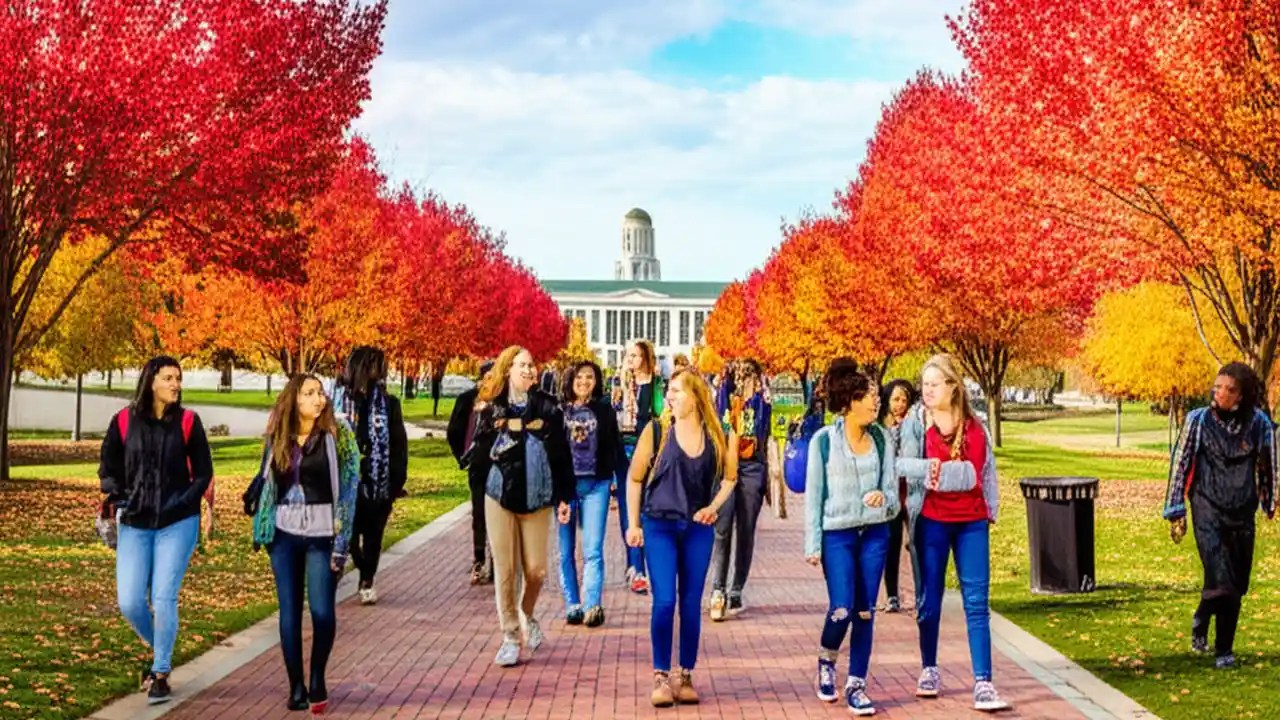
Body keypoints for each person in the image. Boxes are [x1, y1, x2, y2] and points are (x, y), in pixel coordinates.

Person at [98, 356, 214, 705]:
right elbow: (108, 466)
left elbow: (204, 473)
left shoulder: (189, 422)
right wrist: (120, 497)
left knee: (163, 597)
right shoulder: (122, 421)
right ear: (151, 381)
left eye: (178, 378)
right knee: (130, 602)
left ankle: (160, 672)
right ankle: (161, 645)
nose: (176, 384)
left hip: (178, 523)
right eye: (168, 378)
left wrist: (184, 503)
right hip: (135, 523)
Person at [897, 354, 1008, 712]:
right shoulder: (916, 424)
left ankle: (984, 682)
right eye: (923, 384)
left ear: (952, 386)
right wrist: (938, 471)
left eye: (933, 384)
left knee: (977, 603)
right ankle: (929, 667)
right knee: (929, 601)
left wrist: (940, 474)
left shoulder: (976, 428)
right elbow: (899, 464)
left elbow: (976, 475)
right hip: (931, 521)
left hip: (972, 523)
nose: (926, 391)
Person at [625, 368, 738, 708]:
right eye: (669, 391)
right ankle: (661, 674)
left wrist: (713, 507)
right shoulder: (657, 431)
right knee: (665, 602)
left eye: (677, 391)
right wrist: (633, 525)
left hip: (697, 530)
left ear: (696, 397)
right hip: (659, 524)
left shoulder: (717, 434)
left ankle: (684, 673)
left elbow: (731, 478)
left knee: (690, 604)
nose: (670, 397)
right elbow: (634, 479)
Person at [248, 374, 358, 713]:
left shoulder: (338, 435)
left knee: (323, 612)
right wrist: (262, 529)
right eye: (309, 393)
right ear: (293, 399)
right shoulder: (277, 436)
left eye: (320, 393)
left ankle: (317, 677)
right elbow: (266, 484)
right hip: (283, 535)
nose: (318, 399)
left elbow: (351, 485)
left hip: (323, 534)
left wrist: (342, 541)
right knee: (290, 612)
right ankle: (295, 684)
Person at [1164, 362, 1276, 669]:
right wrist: (1175, 508)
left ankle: (1203, 613)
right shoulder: (1197, 420)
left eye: (1228, 389)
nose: (1220, 393)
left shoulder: (1259, 424)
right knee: (1221, 578)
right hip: (1206, 507)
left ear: (1241, 396)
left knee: (1235, 585)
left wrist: (1269, 501)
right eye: (1217, 386)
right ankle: (1223, 650)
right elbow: (1181, 462)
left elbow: (1268, 464)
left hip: (1242, 511)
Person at [469, 346, 575, 667]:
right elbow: (478, 454)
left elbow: (561, 456)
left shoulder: (549, 407)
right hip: (499, 494)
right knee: (506, 568)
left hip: (537, 496)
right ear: (508, 369)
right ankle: (511, 635)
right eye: (522, 365)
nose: (528, 370)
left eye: (531, 364)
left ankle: (526, 613)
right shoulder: (491, 408)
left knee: (536, 570)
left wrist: (564, 497)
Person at [805, 360, 898, 715]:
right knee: (841, 608)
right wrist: (812, 544)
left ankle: (856, 683)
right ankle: (827, 660)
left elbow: (891, 490)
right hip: (836, 535)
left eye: (876, 396)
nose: (876, 402)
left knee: (863, 611)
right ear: (848, 403)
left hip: (874, 533)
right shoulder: (824, 442)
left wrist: (884, 499)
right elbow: (814, 497)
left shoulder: (881, 439)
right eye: (867, 396)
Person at [332, 346, 409, 605]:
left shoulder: (389, 404)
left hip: (379, 482)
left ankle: (367, 580)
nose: (380, 372)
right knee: (350, 534)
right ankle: (356, 561)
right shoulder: (338, 402)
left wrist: (396, 482)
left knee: (374, 535)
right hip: (347, 482)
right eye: (375, 366)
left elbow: (399, 445)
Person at [557, 360, 623, 627]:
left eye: (590, 377)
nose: (584, 382)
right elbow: (553, 452)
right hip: (566, 488)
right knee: (565, 551)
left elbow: (614, 447)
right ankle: (573, 603)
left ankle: (592, 604)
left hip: (597, 485)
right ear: (571, 380)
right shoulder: (559, 411)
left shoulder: (604, 410)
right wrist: (558, 491)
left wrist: (616, 482)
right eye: (579, 377)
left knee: (592, 550)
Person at [707, 358, 772, 620]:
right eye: (740, 374)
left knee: (745, 529)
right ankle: (717, 588)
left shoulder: (762, 402)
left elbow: (768, 428)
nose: (745, 379)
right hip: (726, 466)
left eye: (750, 374)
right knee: (722, 529)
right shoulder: (724, 399)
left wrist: (759, 392)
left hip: (753, 466)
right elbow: (715, 426)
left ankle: (736, 588)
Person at [613, 339, 666, 594]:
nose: (631, 360)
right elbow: (614, 415)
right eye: (628, 356)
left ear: (645, 357)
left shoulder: (657, 385)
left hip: (650, 452)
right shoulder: (620, 384)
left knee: (648, 509)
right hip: (625, 451)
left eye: (635, 355)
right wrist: (624, 385)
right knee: (628, 508)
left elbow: (660, 414)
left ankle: (649, 565)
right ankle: (635, 567)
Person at [446, 360, 496, 585]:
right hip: (477, 464)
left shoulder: (504, 401)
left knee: (498, 514)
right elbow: (454, 431)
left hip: (501, 466)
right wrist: (462, 456)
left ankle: (496, 561)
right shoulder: (467, 400)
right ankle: (479, 558)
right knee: (479, 513)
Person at [879, 378, 919, 613]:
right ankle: (892, 594)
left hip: (912, 491)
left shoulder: (915, 425)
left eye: (904, 400)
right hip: (892, 492)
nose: (900, 404)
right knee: (891, 544)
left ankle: (921, 592)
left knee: (915, 544)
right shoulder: (882, 428)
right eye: (895, 399)